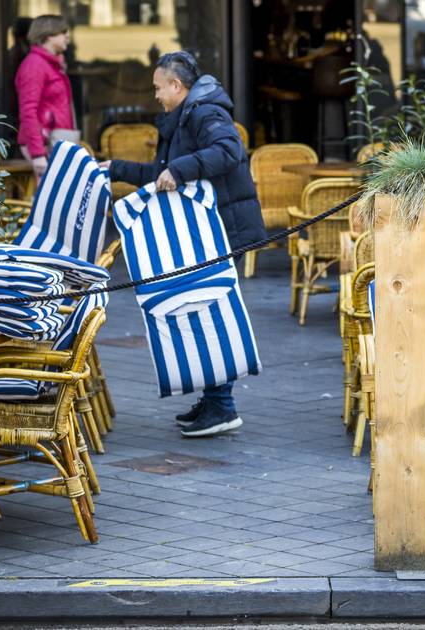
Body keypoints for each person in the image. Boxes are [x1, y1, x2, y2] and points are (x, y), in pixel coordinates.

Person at [100, 51, 265, 438]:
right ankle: (214, 400)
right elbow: (163, 175)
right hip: (207, 228)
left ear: (177, 86)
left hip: (221, 227)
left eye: (159, 87)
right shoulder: (186, 115)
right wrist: (117, 169)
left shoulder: (205, 112)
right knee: (201, 308)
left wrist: (180, 169)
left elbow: (229, 151)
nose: (155, 95)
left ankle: (222, 406)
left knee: (208, 309)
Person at [15, 14, 77, 180]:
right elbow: (28, 111)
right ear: (48, 35)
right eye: (63, 32)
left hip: (56, 141)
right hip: (45, 143)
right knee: (50, 200)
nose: (67, 37)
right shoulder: (35, 65)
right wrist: (37, 154)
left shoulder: (52, 64)